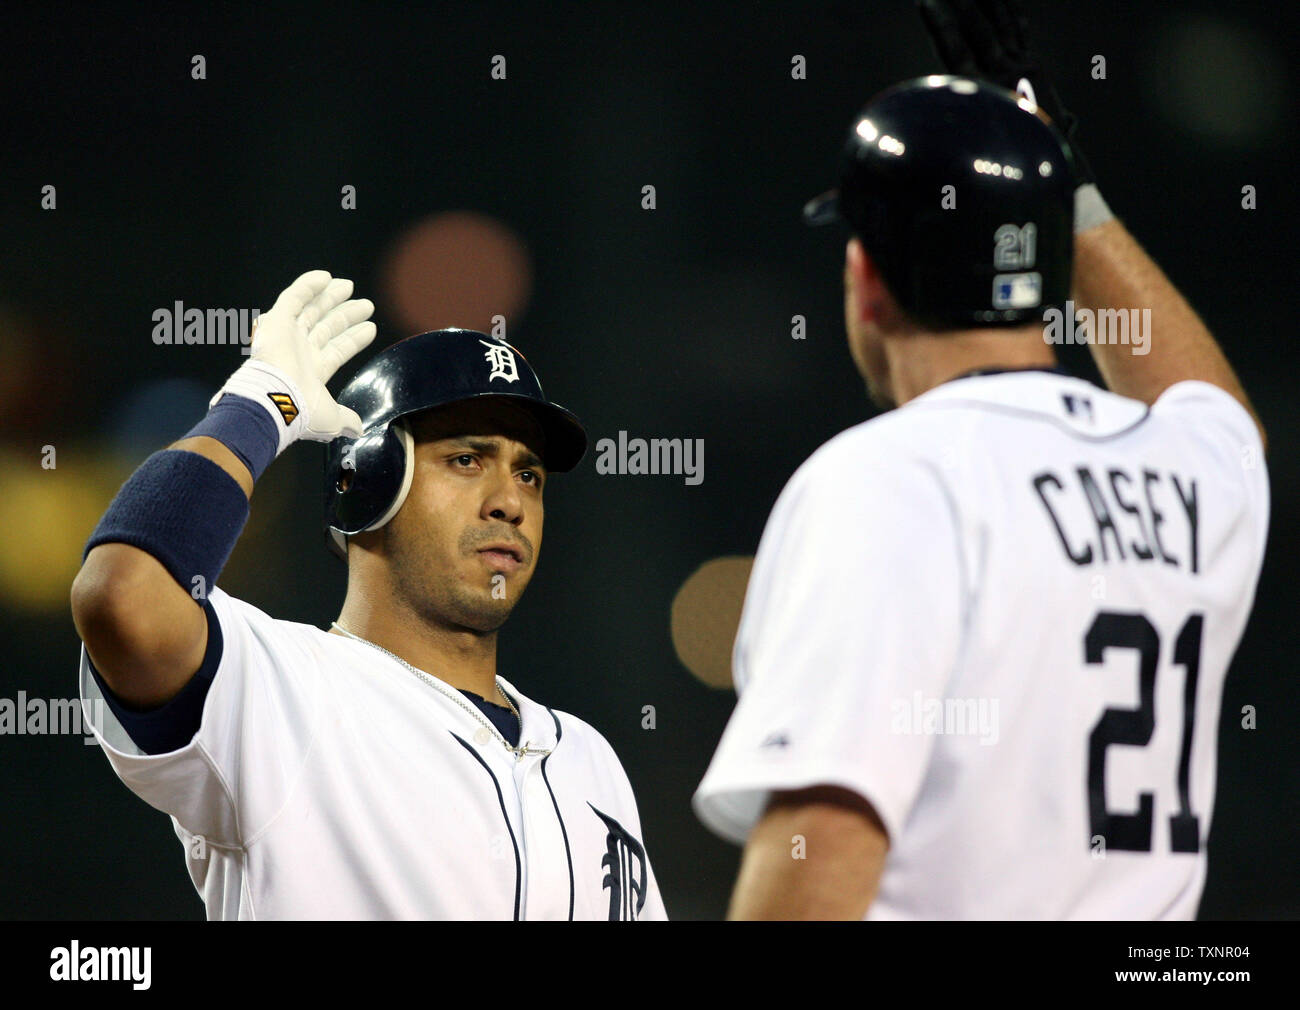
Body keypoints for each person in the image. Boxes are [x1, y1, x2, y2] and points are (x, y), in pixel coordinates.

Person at [693, 3, 1268, 920]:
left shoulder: (889, 480)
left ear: (866, 281)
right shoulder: (1190, 475)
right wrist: (1063, 194)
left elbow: (824, 846)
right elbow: (1219, 416)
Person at [72, 270, 666, 920]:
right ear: (370, 480)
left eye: (529, 474)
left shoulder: (590, 759)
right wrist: (258, 408)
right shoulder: (277, 694)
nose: (510, 502)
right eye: (467, 460)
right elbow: (122, 591)